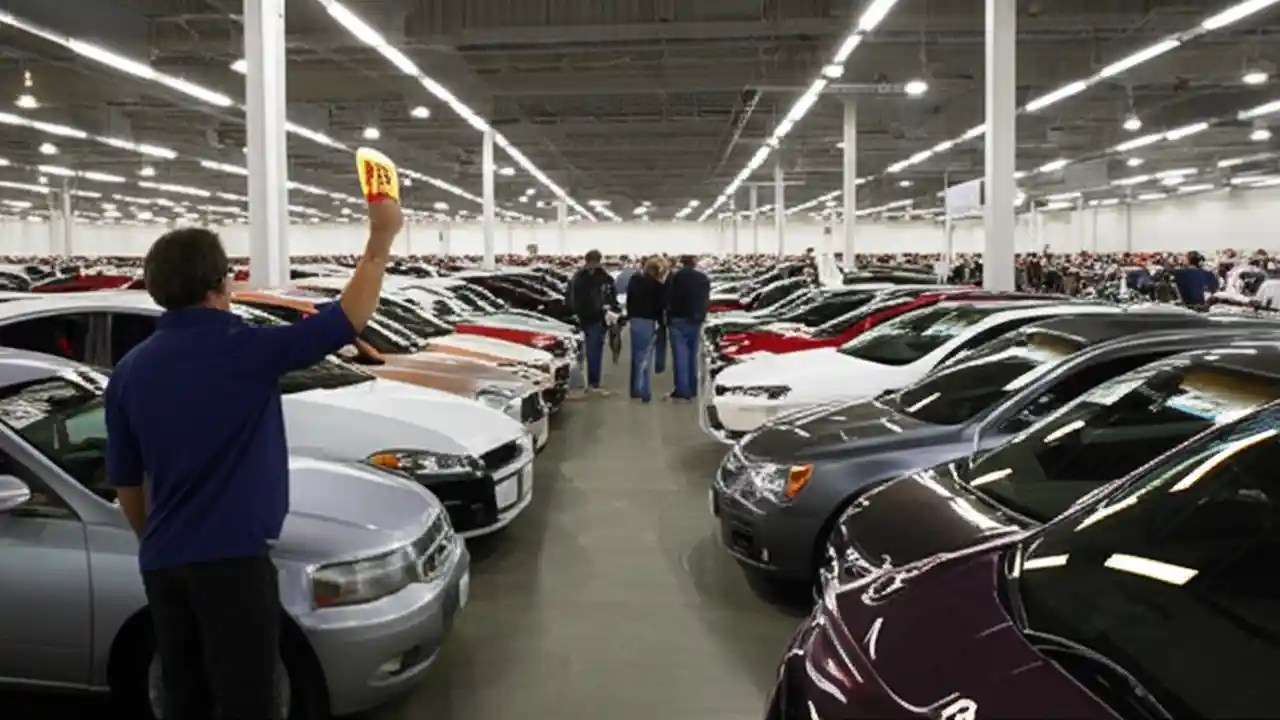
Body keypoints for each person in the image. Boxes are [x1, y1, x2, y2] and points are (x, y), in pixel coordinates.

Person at [105, 198, 403, 719]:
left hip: (163, 564)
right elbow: (348, 318)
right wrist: (381, 238)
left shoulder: (129, 371)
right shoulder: (244, 349)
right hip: (232, 566)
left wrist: (158, 541)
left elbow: (127, 483)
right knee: (247, 699)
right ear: (221, 284)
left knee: (184, 697)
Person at [568, 249, 619, 396]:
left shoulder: (578, 277)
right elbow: (611, 297)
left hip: (582, 318)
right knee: (594, 351)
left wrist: (574, 313)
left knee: (581, 352)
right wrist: (611, 312)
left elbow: (571, 298)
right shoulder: (603, 278)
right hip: (598, 318)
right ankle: (593, 383)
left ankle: (581, 383)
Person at [665, 254, 711, 401]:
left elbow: (667, 296)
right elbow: (705, 298)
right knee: (693, 354)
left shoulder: (674, 277)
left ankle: (682, 389)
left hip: (678, 318)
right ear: (694, 263)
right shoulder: (702, 278)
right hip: (695, 319)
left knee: (680, 355)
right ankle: (692, 388)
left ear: (681, 263)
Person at [626, 257, 666, 402]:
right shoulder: (658, 286)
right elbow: (660, 307)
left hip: (635, 320)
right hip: (650, 322)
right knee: (646, 356)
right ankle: (644, 391)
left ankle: (634, 389)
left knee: (636, 355)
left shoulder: (634, 281)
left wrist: (629, 316)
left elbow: (629, 300)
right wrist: (661, 324)